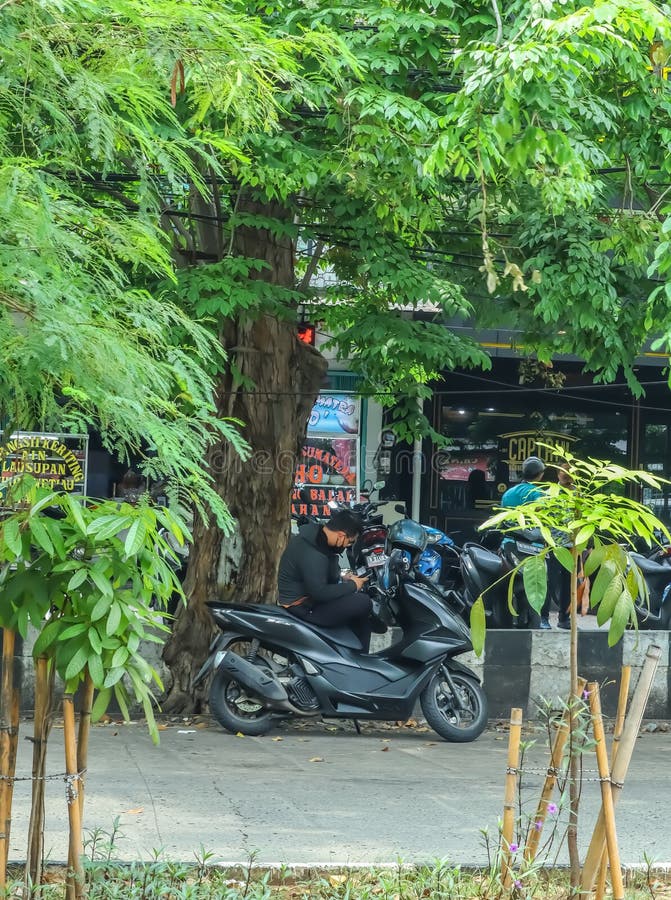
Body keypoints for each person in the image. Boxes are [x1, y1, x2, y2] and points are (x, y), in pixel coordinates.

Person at [278, 509, 383, 651]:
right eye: (349, 542)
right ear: (341, 535)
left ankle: (355, 653)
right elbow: (319, 592)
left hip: (310, 601)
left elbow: (317, 574)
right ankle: (360, 657)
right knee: (363, 602)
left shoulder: (318, 538)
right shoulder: (313, 552)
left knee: (360, 610)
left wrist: (343, 576)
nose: (347, 546)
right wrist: (353, 585)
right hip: (302, 608)